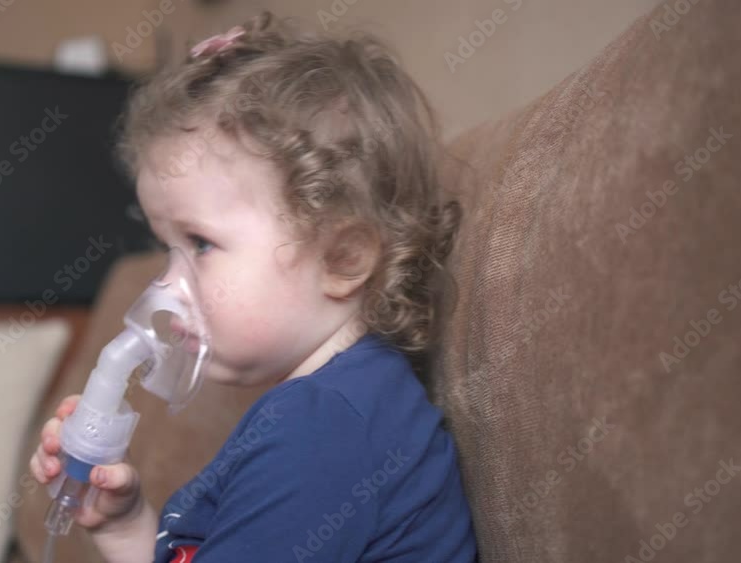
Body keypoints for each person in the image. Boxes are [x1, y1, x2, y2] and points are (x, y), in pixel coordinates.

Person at [30, 11, 477, 562]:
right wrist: (124, 527)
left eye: (200, 243)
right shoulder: (327, 409)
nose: (168, 283)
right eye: (166, 248)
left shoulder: (324, 432)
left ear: (343, 258)